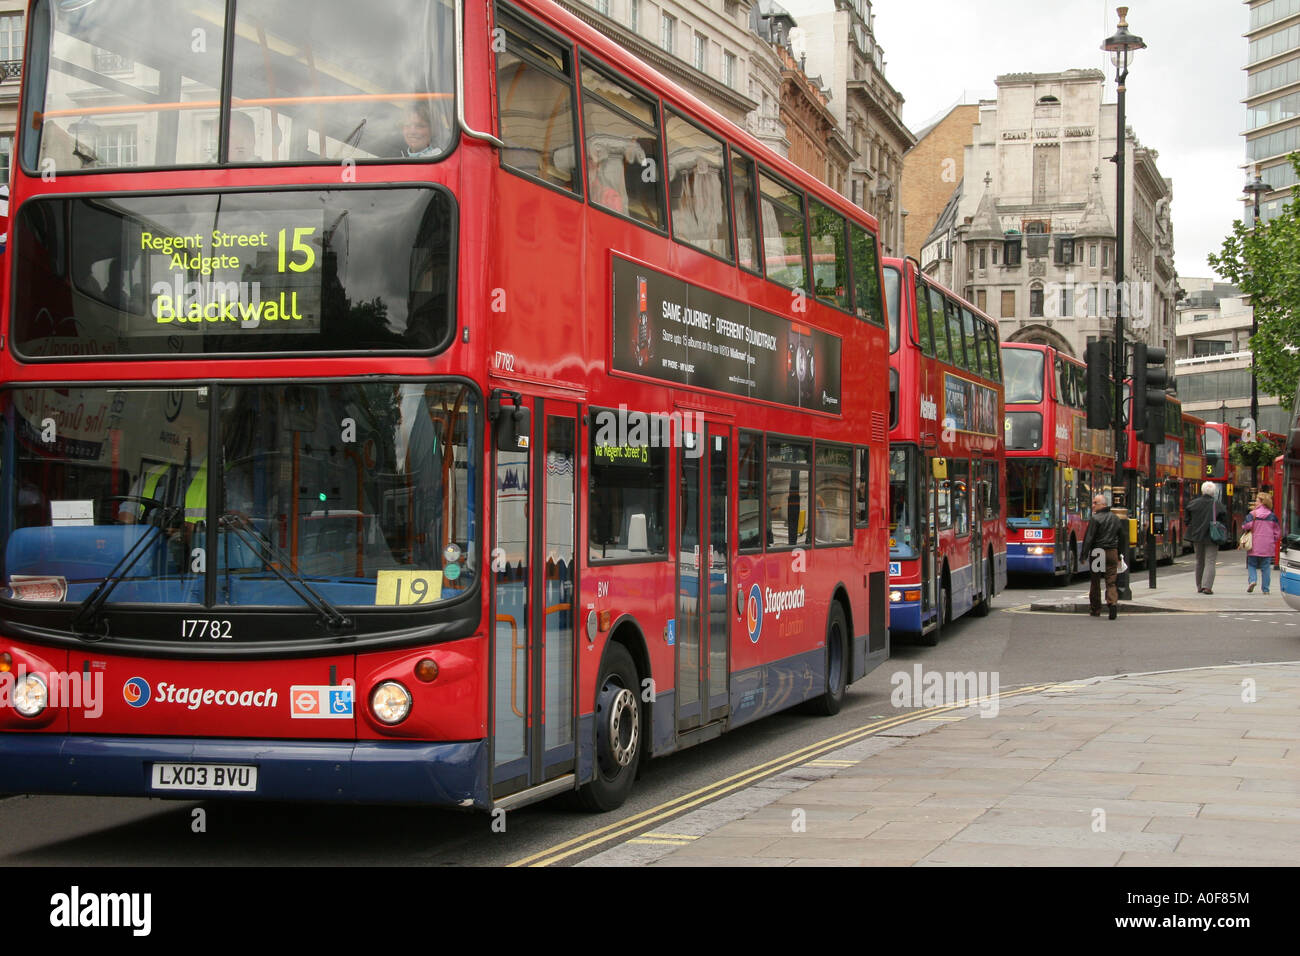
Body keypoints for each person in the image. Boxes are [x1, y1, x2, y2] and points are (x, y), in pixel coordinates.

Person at [1081, 493, 1123, 619]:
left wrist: (1083, 555)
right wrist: (1119, 555)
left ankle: (1095, 609)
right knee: (1111, 581)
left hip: (1098, 552)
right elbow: (1121, 537)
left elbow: (1089, 538)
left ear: (1103, 504)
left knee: (1095, 582)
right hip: (1112, 551)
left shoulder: (1095, 519)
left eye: (1095, 503)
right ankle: (1112, 603)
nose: (1093, 505)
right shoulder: (1115, 518)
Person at [1185, 480, 1222, 594]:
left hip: (1197, 536)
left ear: (1202, 490)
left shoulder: (1193, 504)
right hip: (1212, 536)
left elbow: (1187, 520)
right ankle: (1207, 586)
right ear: (1213, 492)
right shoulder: (1217, 505)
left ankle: (1199, 586)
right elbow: (1224, 521)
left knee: (1199, 561)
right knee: (1210, 561)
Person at [1242, 490, 1281, 594]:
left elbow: (1246, 526)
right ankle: (1266, 589)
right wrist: (1273, 540)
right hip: (1267, 545)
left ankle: (1253, 580)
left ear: (1262, 502)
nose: (1255, 502)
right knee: (1266, 567)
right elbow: (1277, 532)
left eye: (1257, 501)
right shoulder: (1272, 516)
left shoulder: (1252, 514)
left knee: (1252, 564)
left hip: (1254, 544)